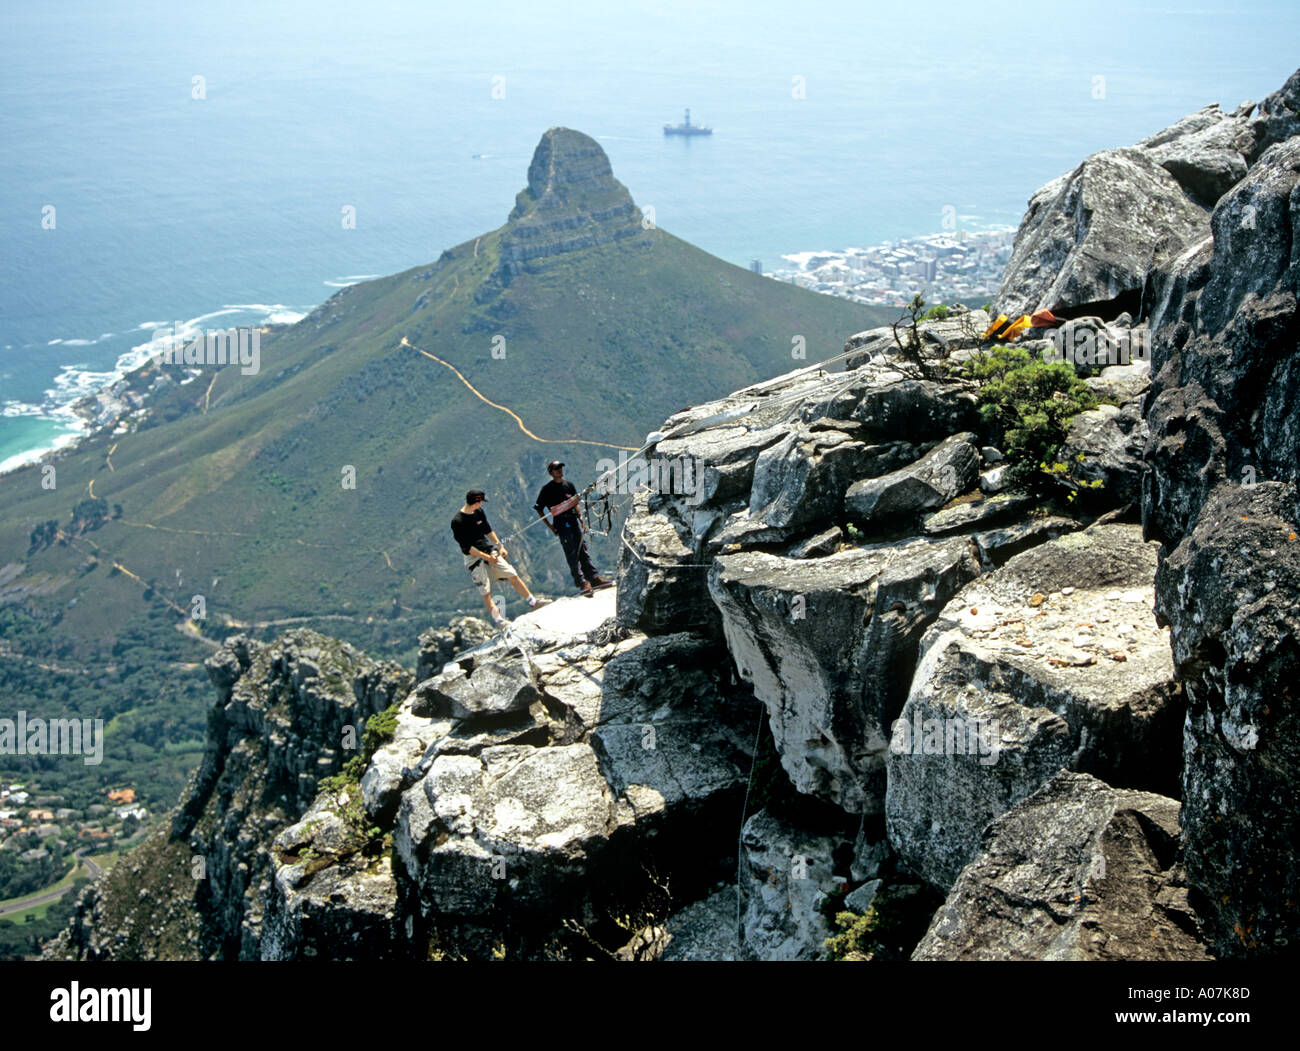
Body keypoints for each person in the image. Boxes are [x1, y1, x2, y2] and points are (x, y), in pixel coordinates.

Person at [450, 488, 548, 626]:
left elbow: (488, 530)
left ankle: (533, 602)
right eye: (481, 502)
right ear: (476, 502)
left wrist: (499, 546)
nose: (482, 505)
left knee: (512, 574)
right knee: (486, 591)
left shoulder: (478, 512)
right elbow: (467, 547)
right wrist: (487, 558)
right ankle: (499, 620)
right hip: (473, 557)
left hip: (487, 549)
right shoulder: (458, 521)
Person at [534, 460, 609, 596]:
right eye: (556, 469)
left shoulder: (569, 485)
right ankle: (582, 582)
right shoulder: (547, 490)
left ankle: (594, 578)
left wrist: (581, 519)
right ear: (551, 472)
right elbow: (539, 508)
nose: (559, 471)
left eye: (560, 468)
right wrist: (550, 526)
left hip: (573, 520)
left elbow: (575, 503)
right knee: (571, 552)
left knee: (582, 549)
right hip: (561, 523)